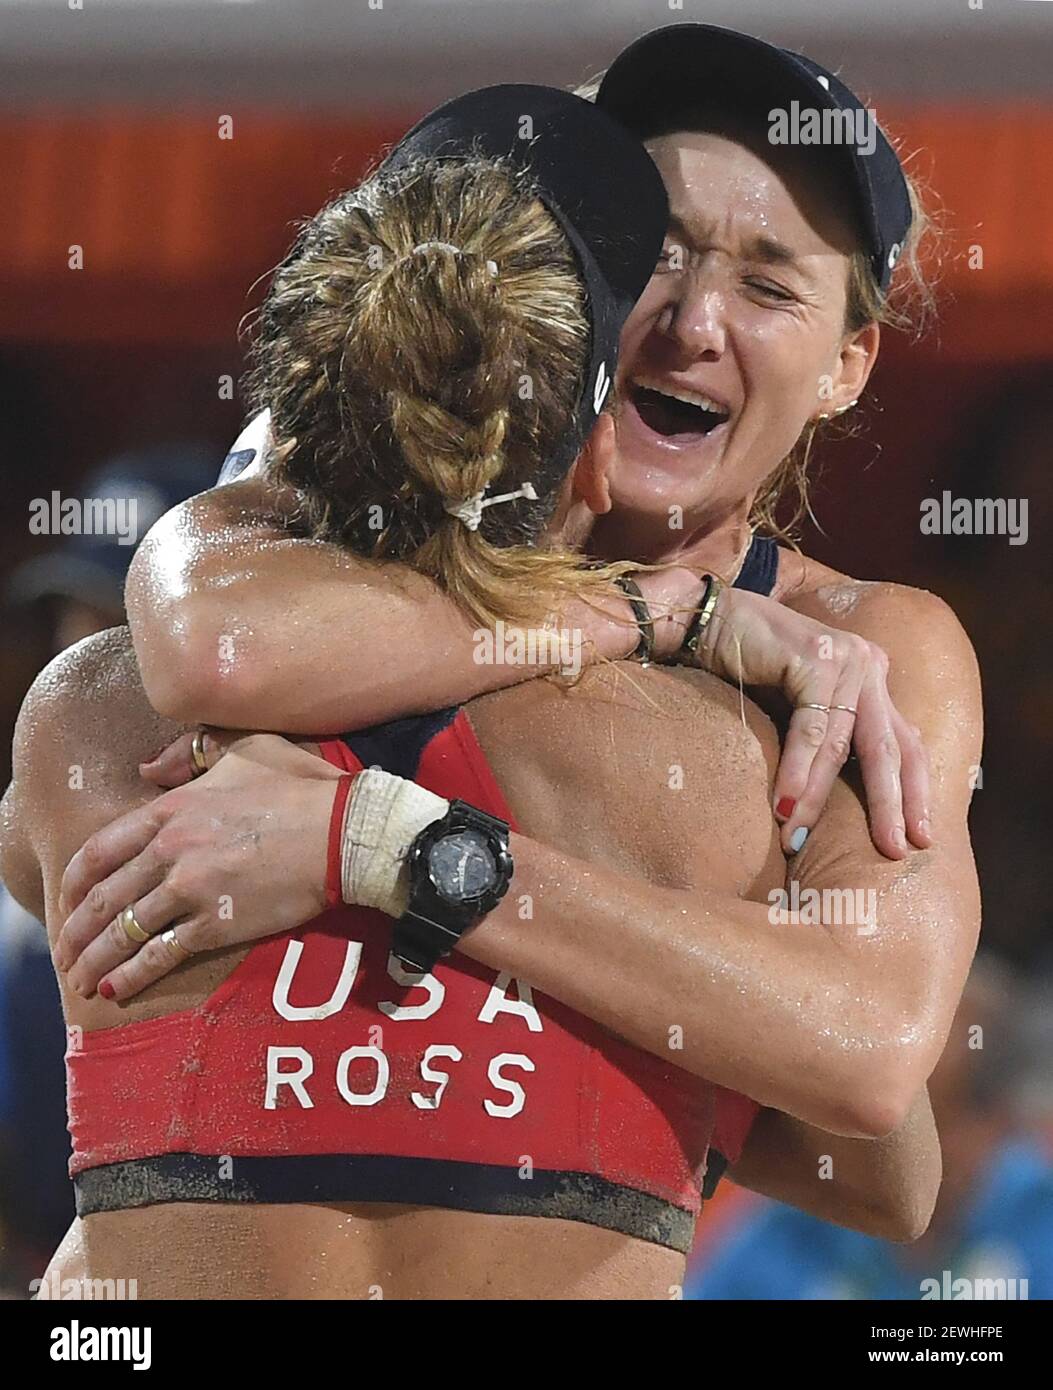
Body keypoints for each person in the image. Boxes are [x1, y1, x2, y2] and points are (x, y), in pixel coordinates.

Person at [4, 82, 944, 1302]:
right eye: (662, 268)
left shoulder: (89, 716)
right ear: (600, 445)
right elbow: (883, 1150)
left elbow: (875, 1121)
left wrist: (365, 842)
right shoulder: (726, 764)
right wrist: (667, 622)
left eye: (768, 283)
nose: (699, 320)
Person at [688, 958, 1053, 1300]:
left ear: (999, 1122)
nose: (879, 1142)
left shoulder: (1040, 1217)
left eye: (934, 1122)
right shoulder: (803, 1216)